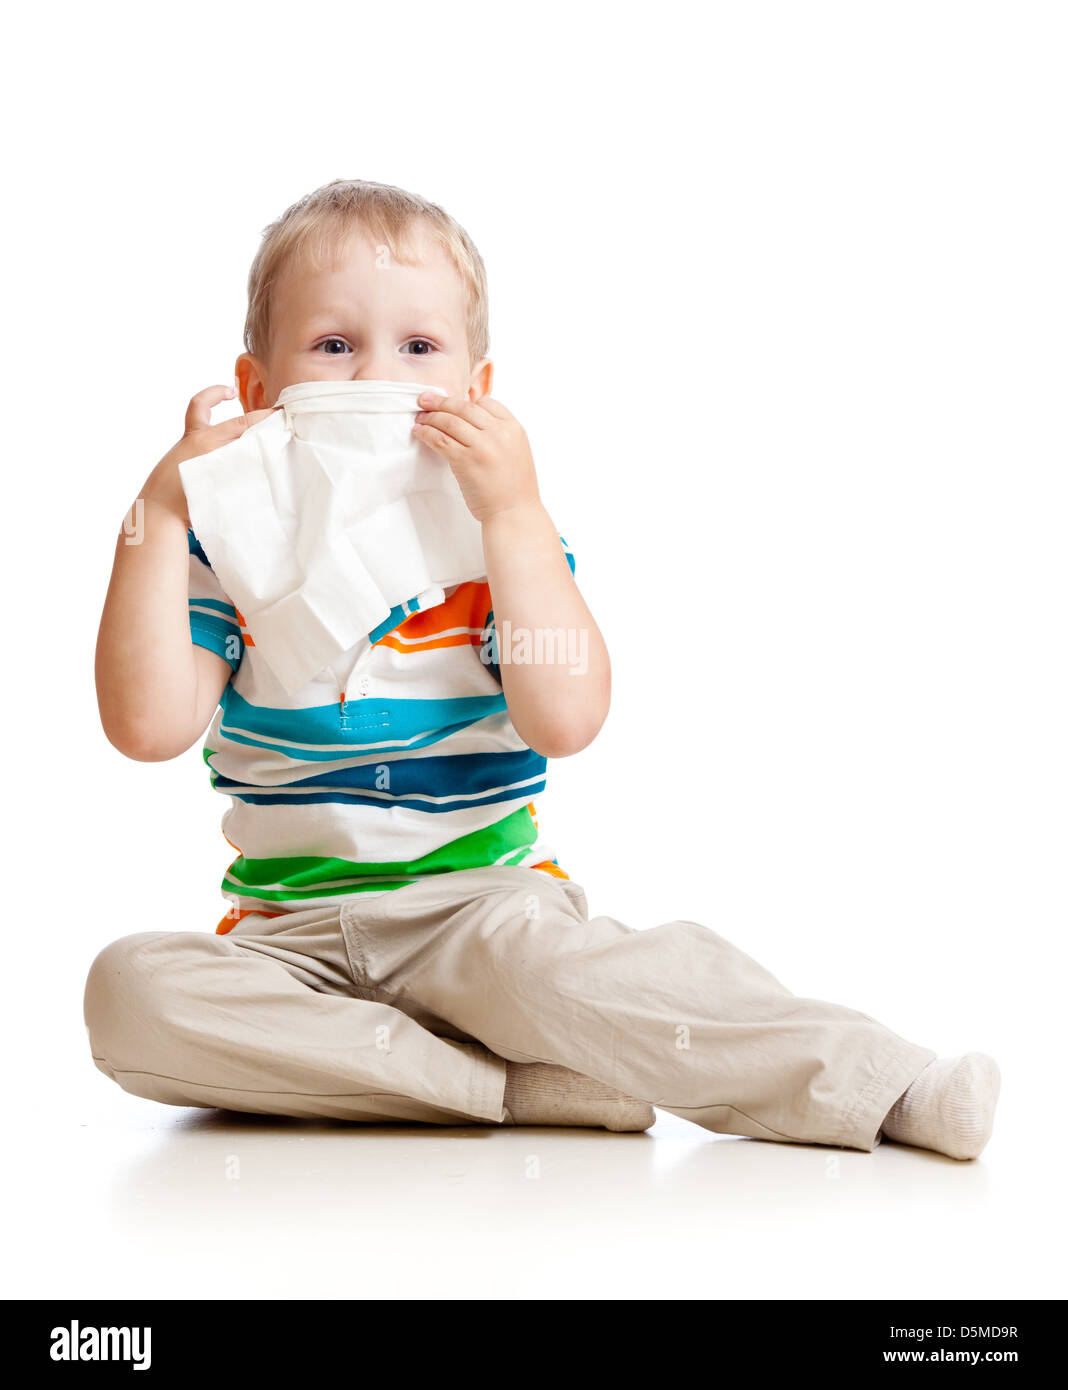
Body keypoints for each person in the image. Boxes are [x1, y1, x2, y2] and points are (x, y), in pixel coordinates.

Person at [87, 179, 1000, 1159]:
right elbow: (147, 727)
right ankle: (515, 1086)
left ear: (478, 391)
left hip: (479, 913)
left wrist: (515, 517)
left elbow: (565, 719)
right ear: (261, 389)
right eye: (335, 346)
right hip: (285, 937)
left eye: (419, 349)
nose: (372, 377)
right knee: (130, 992)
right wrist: (163, 517)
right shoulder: (234, 553)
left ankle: (884, 1081)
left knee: (585, 978)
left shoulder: (488, 544)